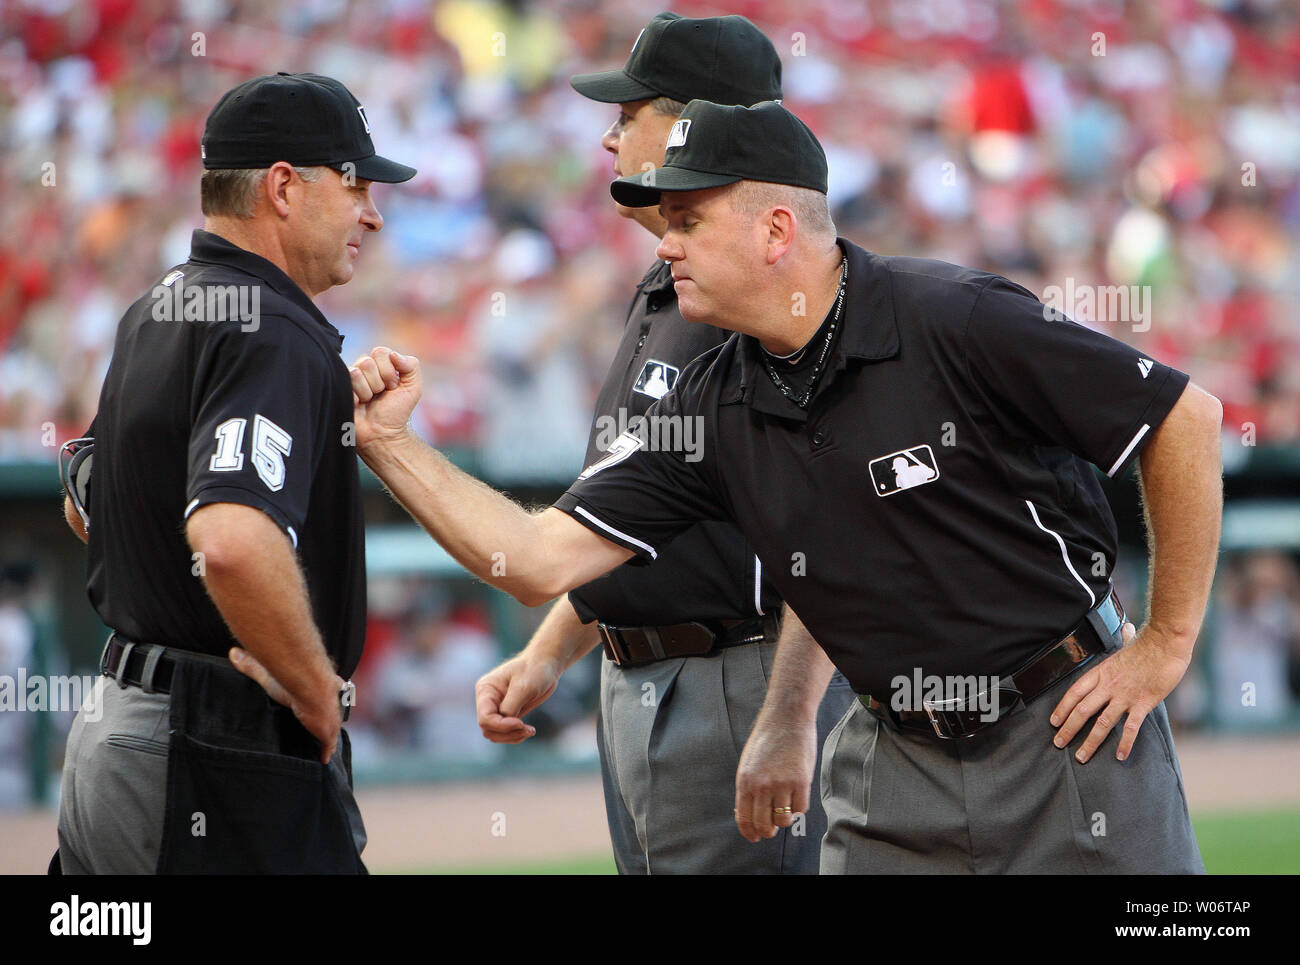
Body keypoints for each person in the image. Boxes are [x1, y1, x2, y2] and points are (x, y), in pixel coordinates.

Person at [281, 98, 1220, 874]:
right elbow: (534, 560)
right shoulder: (713, 399)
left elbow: (1184, 419)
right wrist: (388, 445)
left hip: (1067, 733)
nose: (664, 245)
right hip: (893, 765)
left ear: (777, 229)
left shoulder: (956, 318)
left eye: (687, 219)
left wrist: (1168, 642)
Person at [473, 11, 852, 875]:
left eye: (630, 112)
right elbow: (636, 515)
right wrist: (547, 651)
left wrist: (788, 717)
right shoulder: (668, 282)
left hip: (743, 676)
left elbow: (830, 530)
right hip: (639, 678)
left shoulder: (767, 296)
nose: (609, 136)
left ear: (689, 125)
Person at [55, 72, 415, 874]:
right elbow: (230, 541)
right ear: (283, 188)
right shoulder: (275, 329)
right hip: (208, 749)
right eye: (354, 183)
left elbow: (85, 489)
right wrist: (318, 689)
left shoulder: (162, 305)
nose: (373, 212)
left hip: (120, 730)